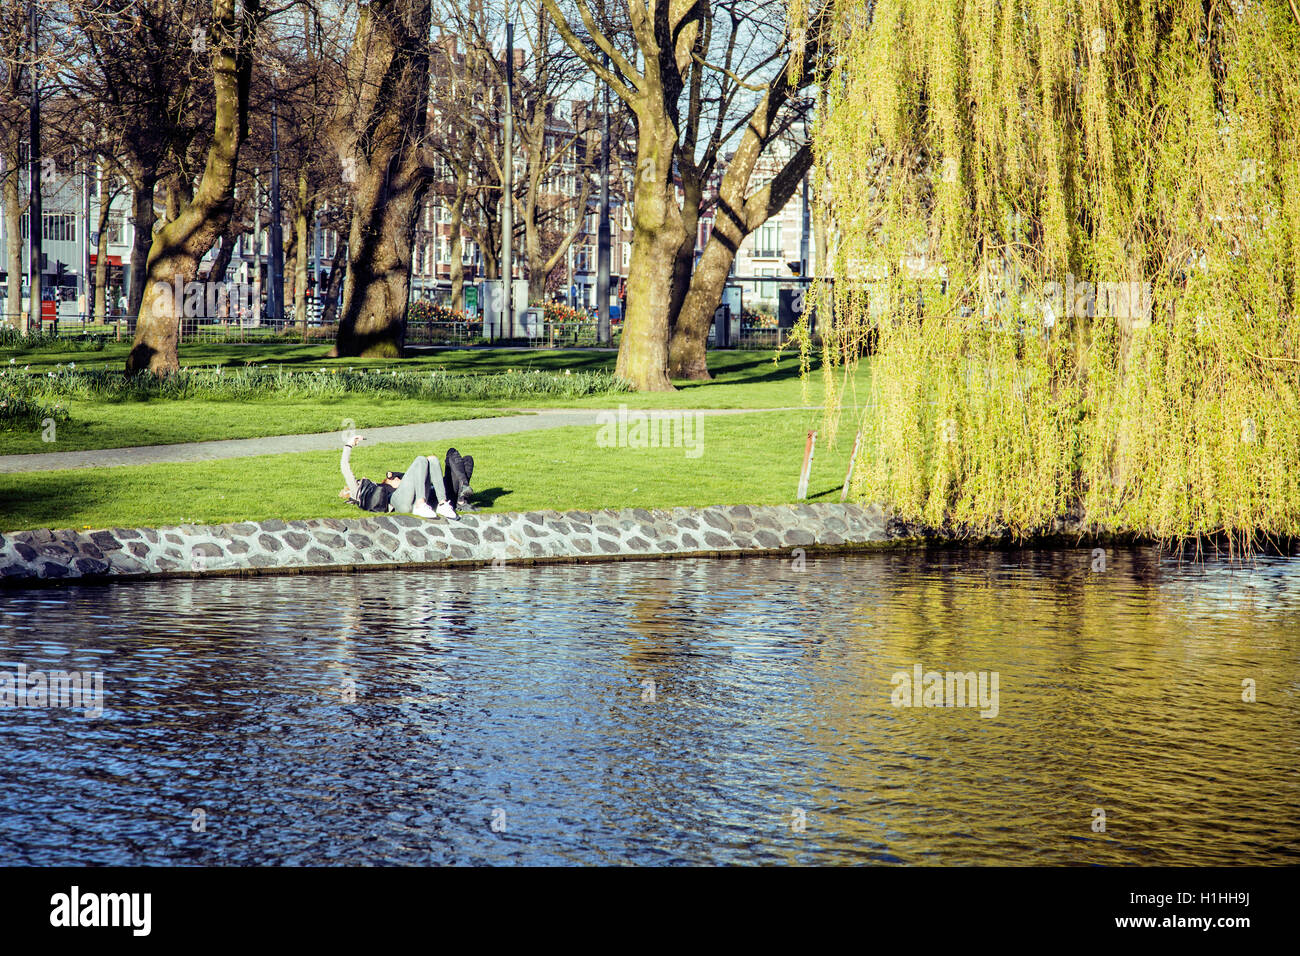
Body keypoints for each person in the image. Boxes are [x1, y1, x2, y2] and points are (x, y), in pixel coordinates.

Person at [339, 435, 458, 520]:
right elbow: (345, 466)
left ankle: (442, 504)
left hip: (410, 498)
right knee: (420, 460)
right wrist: (349, 444)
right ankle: (420, 504)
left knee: (432, 459)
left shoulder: (380, 486)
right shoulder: (358, 491)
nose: (364, 477)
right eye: (361, 479)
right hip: (397, 503)